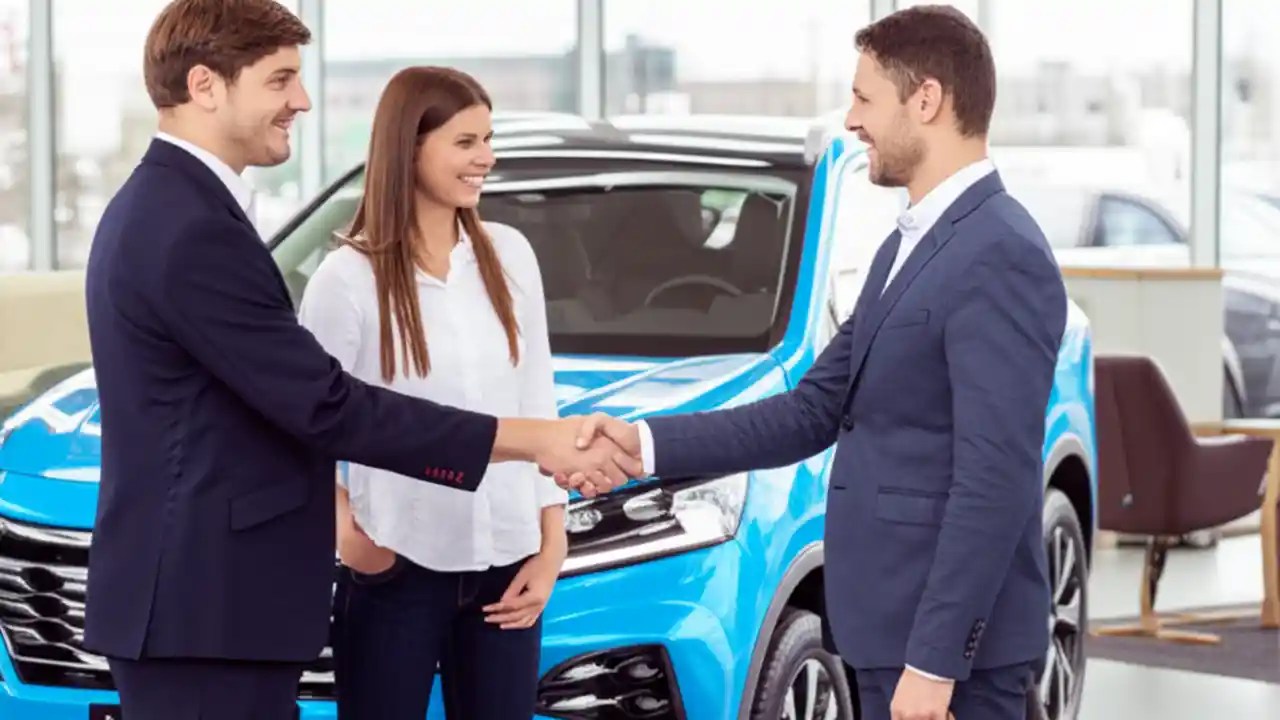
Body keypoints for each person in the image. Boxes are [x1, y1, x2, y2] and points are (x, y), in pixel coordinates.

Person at [81, 2, 637, 719]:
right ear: (206, 86)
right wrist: (533, 441)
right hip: (204, 611)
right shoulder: (188, 226)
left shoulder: (177, 210)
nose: (302, 101)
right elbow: (326, 405)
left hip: (209, 609)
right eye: (280, 80)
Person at [571, 6, 1065, 720]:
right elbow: (810, 411)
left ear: (926, 100)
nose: (851, 120)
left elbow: (997, 479)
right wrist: (643, 442)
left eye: (865, 97)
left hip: (945, 660)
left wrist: (934, 659)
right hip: (883, 634)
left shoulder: (1001, 252)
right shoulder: (909, 247)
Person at [296, 66, 566, 719]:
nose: (486, 159)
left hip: (508, 563)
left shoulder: (511, 255)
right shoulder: (345, 279)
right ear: (408, 147)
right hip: (395, 570)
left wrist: (552, 544)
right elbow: (307, 425)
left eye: (489, 139)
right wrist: (351, 539)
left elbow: (538, 404)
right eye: (467, 142)